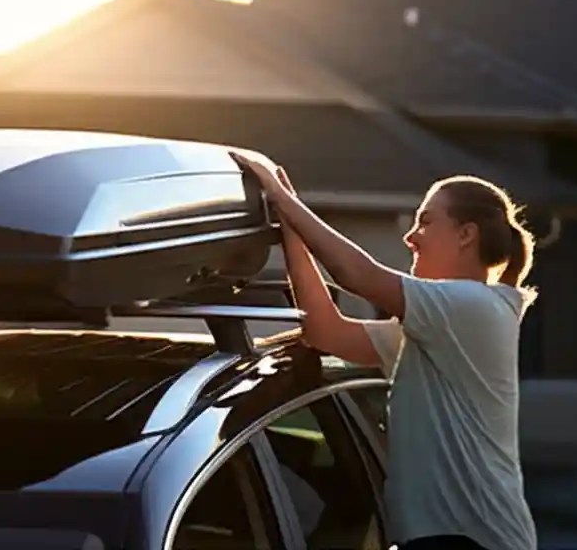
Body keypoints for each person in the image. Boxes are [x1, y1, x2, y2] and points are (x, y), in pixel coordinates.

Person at [230, 150, 536, 550]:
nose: (410, 237)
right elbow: (326, 332)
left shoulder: (471, 306)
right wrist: (290, 226)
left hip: (471, 541)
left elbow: (355, 274)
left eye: (425, 222)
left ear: (467, 234)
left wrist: (285, 198)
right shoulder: (439, 323)